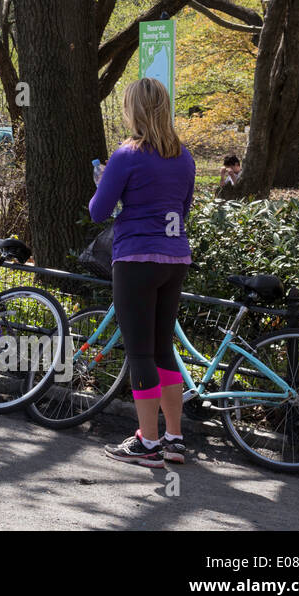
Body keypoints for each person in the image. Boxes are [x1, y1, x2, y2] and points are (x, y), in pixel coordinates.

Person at [89, 77, 196, 468]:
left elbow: (99, 212)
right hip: (175, 259)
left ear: (132, 110)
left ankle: (147, 444)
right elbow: (183, 210)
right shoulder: (184, 156)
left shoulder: (126, 155)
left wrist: (102, 185)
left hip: (136, 258)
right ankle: (173, 438)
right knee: (163, 348)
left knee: (139, 353)